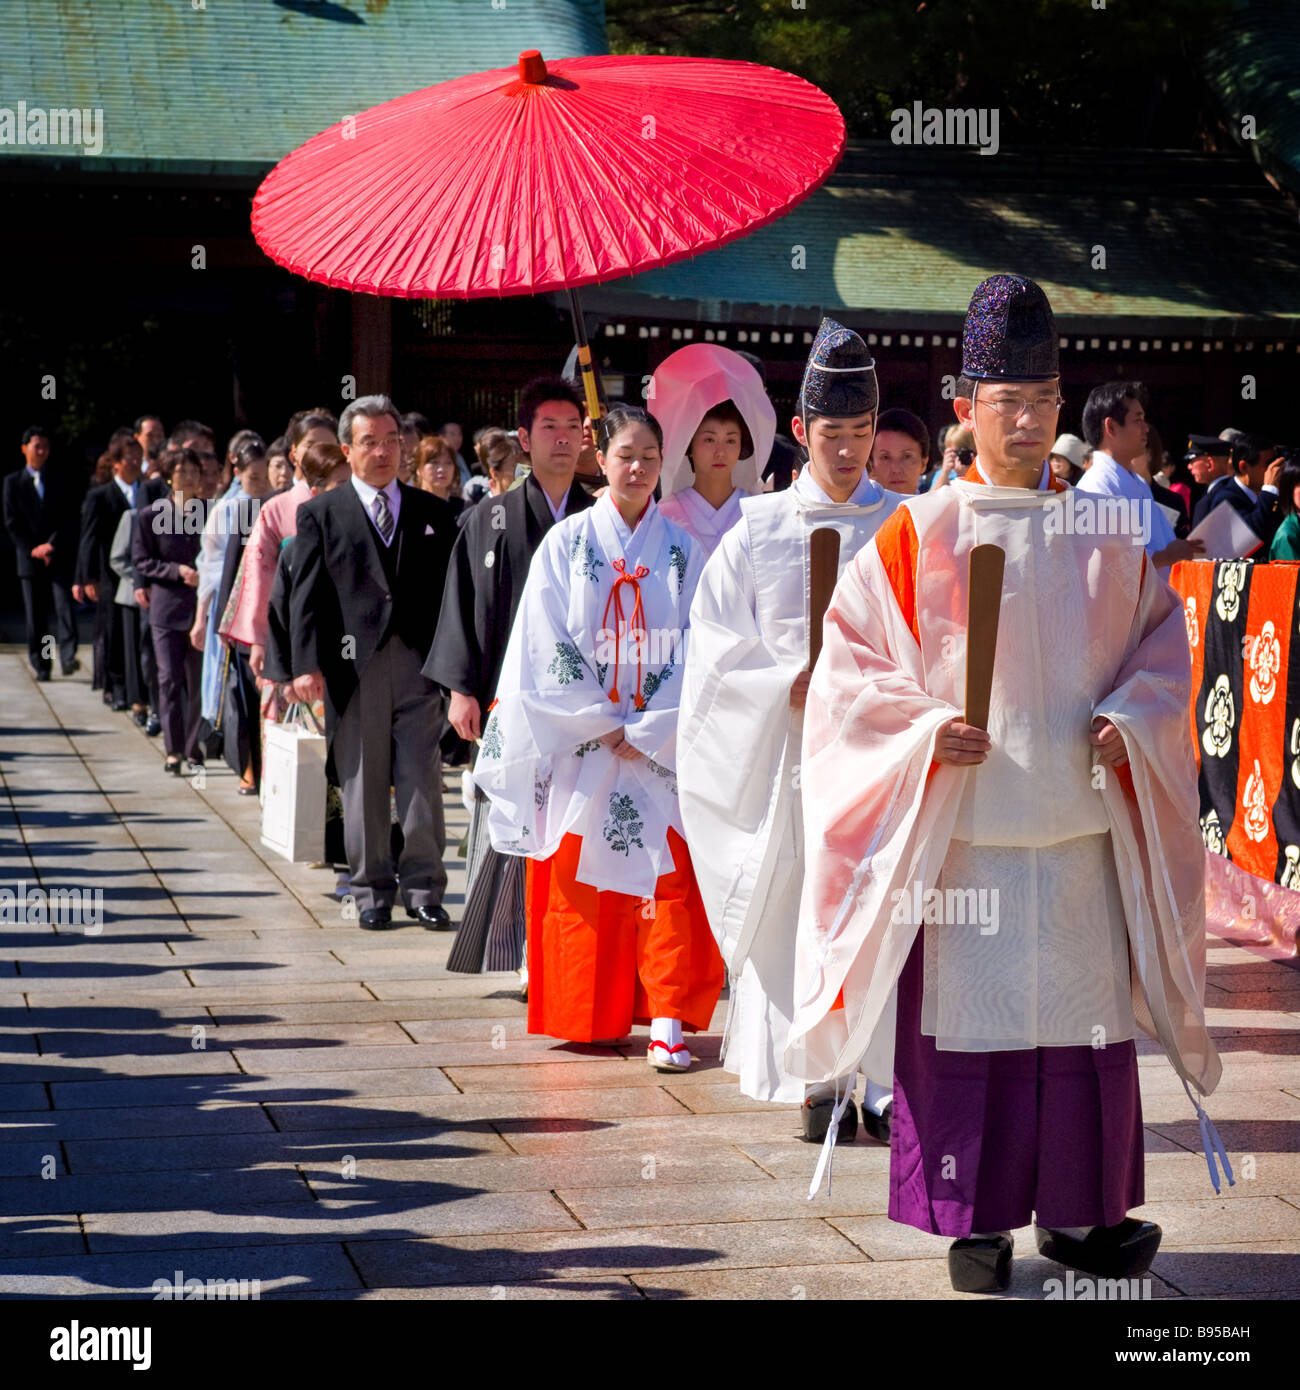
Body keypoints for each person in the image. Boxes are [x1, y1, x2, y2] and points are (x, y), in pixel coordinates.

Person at [786, 273, 1225, 1294]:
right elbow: (851, 672)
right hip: (968, 837)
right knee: (972, 1040)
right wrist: (930, 728)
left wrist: (1130, 722)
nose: (1025, 420)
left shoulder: (1107, 537)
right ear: (963, 406)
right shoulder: (914, 533)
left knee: (1079, 1038)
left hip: (1075, 831)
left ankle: (1082, 1217)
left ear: (1061, 401)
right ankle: (971, 1220)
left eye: (1041, 399)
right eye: (1004, 401)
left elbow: (1163, 655)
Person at [677, 317, 901, 1138]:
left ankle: (877, 1078)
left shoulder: (908, 525)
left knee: (881, 912)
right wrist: (783, 685)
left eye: (862, 432)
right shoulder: (759, 528)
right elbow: (713, 653)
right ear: (802, 431)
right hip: (795, 759)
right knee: (805, 906)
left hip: (886, 755)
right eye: (832, 434)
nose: (847, 450)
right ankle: (816, 1078)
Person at [473, 404, 724, 1064]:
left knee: (666, 880)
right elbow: (542, 643)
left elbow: (703, 644)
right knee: (587, 887)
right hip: (584, 743)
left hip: (659, 745)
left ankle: (667, 1016)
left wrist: (649, 725)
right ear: (600, 458)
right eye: (624, 455)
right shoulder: (567, 545)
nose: (637, 468)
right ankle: (592, 1011)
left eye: (648, 456)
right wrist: (602, 722)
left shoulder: (681, 551)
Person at [427, 378, 595, 985]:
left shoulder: (599, 516)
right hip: (509, 699)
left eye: (571, 427)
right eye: (548, 427)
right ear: (523, 440)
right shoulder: (488, 519)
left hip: (582, 707)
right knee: (511, 822)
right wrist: (461, 689)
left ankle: (561, 953)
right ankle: (514, 950)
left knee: (572, 828)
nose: (561, 439)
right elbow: (460, 605)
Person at [288, 396, 457, 931]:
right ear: (347, 449)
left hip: (419, 665)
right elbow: (305, 597)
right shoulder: (321, 513)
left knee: (421, 781)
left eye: (391, 440)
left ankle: (425, 886)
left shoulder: (432, 512)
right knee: (363, 783)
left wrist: (453, 665)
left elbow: (451, 594)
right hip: (351, 668)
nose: (382, 452)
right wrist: (304, 665)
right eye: (369, 442)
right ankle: (370, 891)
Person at [194, 441, 272, 792]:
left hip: (270, 612)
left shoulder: (276, 506)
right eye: (252, 475)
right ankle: (247, 767)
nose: (260, 481)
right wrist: (205, 618)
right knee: (240, 696)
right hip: (235, 612)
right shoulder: (231, 510)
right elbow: (212, 569)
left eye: (265, 474)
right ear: (238, 474)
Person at [649, 344, 775, 558]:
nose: (720, 451)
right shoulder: (663, 515)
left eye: (731, 440)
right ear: (689, 446)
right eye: (709, 439)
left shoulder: (759, 513)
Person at [76, 431, 165, 709]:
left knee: (137, 635)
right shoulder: (99, 496)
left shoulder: (148, 491)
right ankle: (116, 686)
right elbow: (88, 538)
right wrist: (86, 576)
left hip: (141, 571)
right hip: (110, 573)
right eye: (130, 459)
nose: (136, 463)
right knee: (113, 631)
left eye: (139, 458)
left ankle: (137, 690)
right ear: (115, 462)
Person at [133, 448, 207, 774]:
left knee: (197, 681)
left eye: (193, 471)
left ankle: (193, 747)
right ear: (168, 476)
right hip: (165, 607)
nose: (188, 478)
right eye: (181, 471)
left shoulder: (210, 512)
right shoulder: (150, 515)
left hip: (199, 608)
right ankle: (173, 749)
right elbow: (142, 560)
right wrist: (177, 572)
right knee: (169, 679)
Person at [1076, 381, 1202, 568]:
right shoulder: (1096, 486)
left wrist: (1181, 548)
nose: (1146, 428)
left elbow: (1161, 540)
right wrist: (1167, 556)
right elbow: (1112, 564)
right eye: (1138, 420)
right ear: (1110, 427)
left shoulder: (1138, 483)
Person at [4, 426, 80, 681]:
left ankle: (68, 656)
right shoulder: (12, 482)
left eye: (45, 446)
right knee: (36, 615)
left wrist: (52, 544)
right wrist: (32, 549)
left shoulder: (59, 479)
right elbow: (12, 522)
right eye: (36, 446)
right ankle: (42, 664)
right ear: (24, 448)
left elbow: (69, 516)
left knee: (64, 607)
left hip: (56, 553)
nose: (41, 451)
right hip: (29, 559)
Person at [1190, 432, 1283, 545]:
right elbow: (1251, 536)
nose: (1274, 469)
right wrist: (1269, 490)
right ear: (1243, 467)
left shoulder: (1272, 493)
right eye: (1269, 464)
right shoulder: (1226, 498)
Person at [870, 407, 930, 495]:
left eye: (907, 456)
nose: (896, 469)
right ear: (871, 466)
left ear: (923, 463)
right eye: (885, 457)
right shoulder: (856, 508)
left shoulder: (940, 509)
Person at [413, 434, 464, 518]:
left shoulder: (462, 509)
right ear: (419, 468)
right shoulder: (409, 507)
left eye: (448, 463)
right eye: (434, 462)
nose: (442, 469)